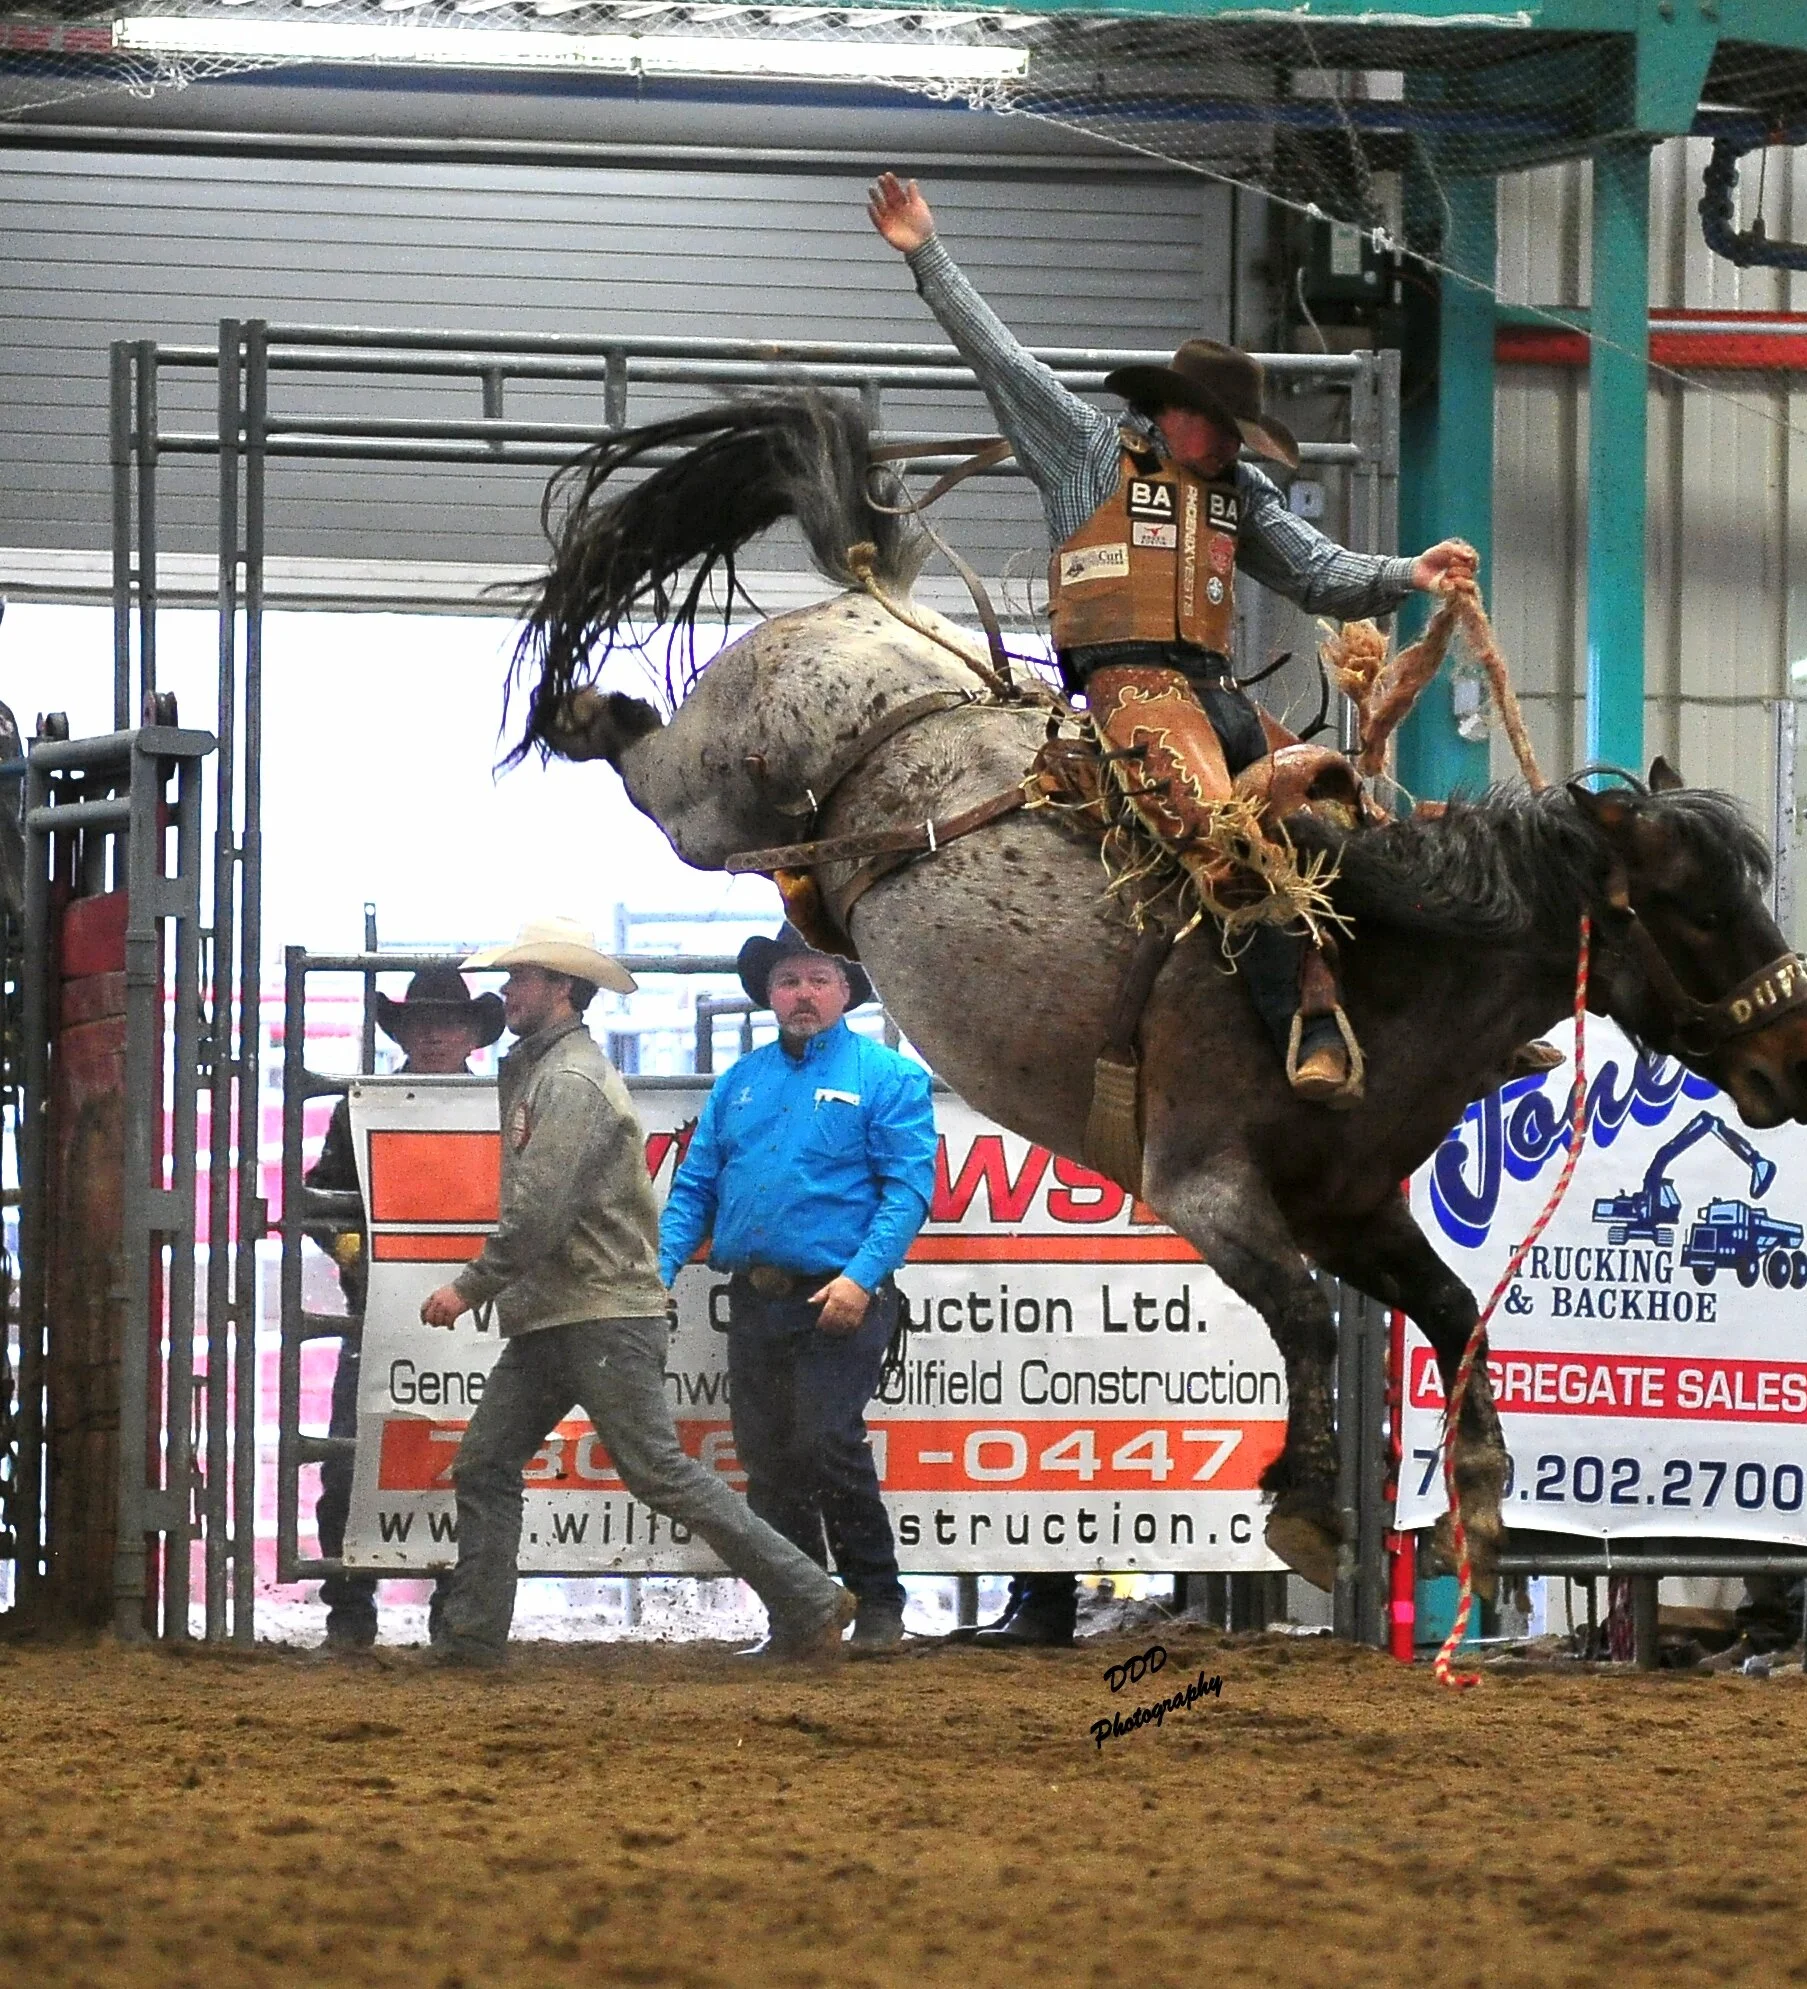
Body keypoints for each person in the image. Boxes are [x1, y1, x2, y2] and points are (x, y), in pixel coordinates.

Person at [868, 171, 1479, 1108]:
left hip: (1217, 690)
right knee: (1226, 835)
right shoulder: (1085, 452)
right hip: (1131, 686)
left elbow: (1316, 570)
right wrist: (926, 253)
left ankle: (1436, 1013)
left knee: (1344, 812)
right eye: (1228, 429)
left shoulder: (1240, 493)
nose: (1236, 446)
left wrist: (1410, 574)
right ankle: (1305, 1019)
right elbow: (1001, 360)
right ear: (1180, 410)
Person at [419, 915, 857, 1666]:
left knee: (641, 1468)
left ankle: (810, 1594)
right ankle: (469, 1637)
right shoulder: (557, 1070)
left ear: (560, 988)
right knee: (506, 1462)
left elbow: (540, 1211)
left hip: (592, 1311)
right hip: (580, 1309)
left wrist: (469, 1286)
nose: (507, 990)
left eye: (520, 977)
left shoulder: (565, 1080)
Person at [658, 926, 935, 1655]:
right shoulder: (739, 1083)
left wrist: (860, 1278)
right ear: (769, 994)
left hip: (837, 1293)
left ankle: (877, 1600)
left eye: (817, 979)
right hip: (757, 1295)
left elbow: (906, 1192)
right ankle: (803, 1607)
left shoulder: (888, 1077)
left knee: (825, 1440)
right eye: (788, 981)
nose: (802, 994)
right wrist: (657, 1273)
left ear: (845, 992)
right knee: (767, 1457)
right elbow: (694, 1189)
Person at [304, 964, 503, 1651]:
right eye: (423, 1023)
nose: (435, 1035)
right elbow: (320, 1199)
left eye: (448, 1022)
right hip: (388, 1312)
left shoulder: (502, 1107)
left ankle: (446, 1604)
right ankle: (351, 1608)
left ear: (472, 1033)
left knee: (463, 1461)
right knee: (350, 1464)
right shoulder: (364, 1105)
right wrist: (355, 1249)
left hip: (472, 1315)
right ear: (405, 1030)